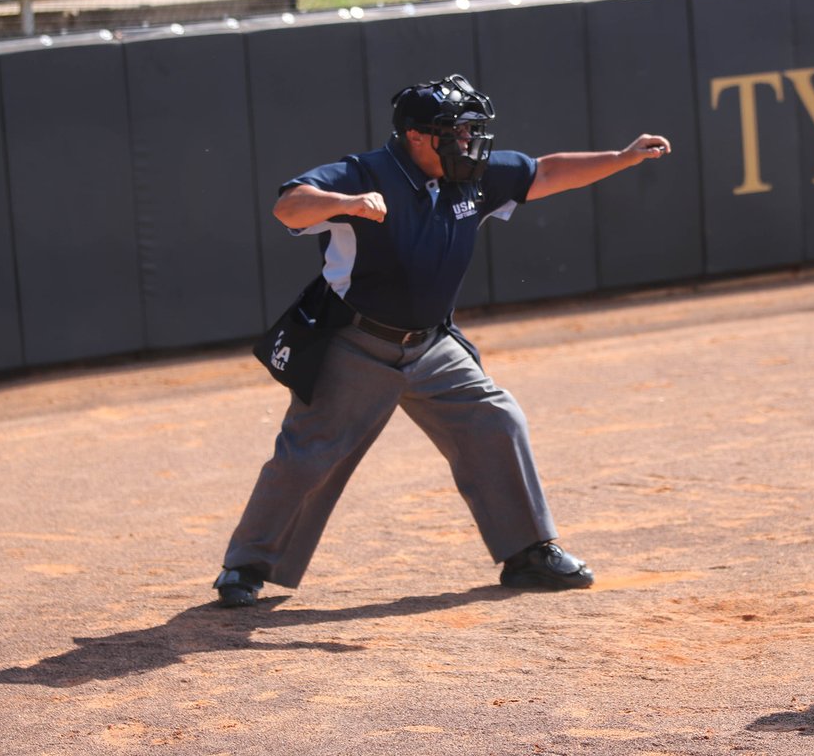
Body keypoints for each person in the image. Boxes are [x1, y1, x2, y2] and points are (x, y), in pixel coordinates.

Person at [214, 74, 671, 608]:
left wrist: (621, 156)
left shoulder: (471, 176)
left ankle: (527, 552)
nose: (470, 142)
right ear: (417, 137)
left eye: (473, 130)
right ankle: (246, 566)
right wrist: (350, 204)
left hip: (433, 345)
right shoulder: (366, 173)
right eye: (457, 132)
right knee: (307, 456)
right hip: (358, 345)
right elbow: (290, 206)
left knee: (496, 419)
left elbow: (544, 171)